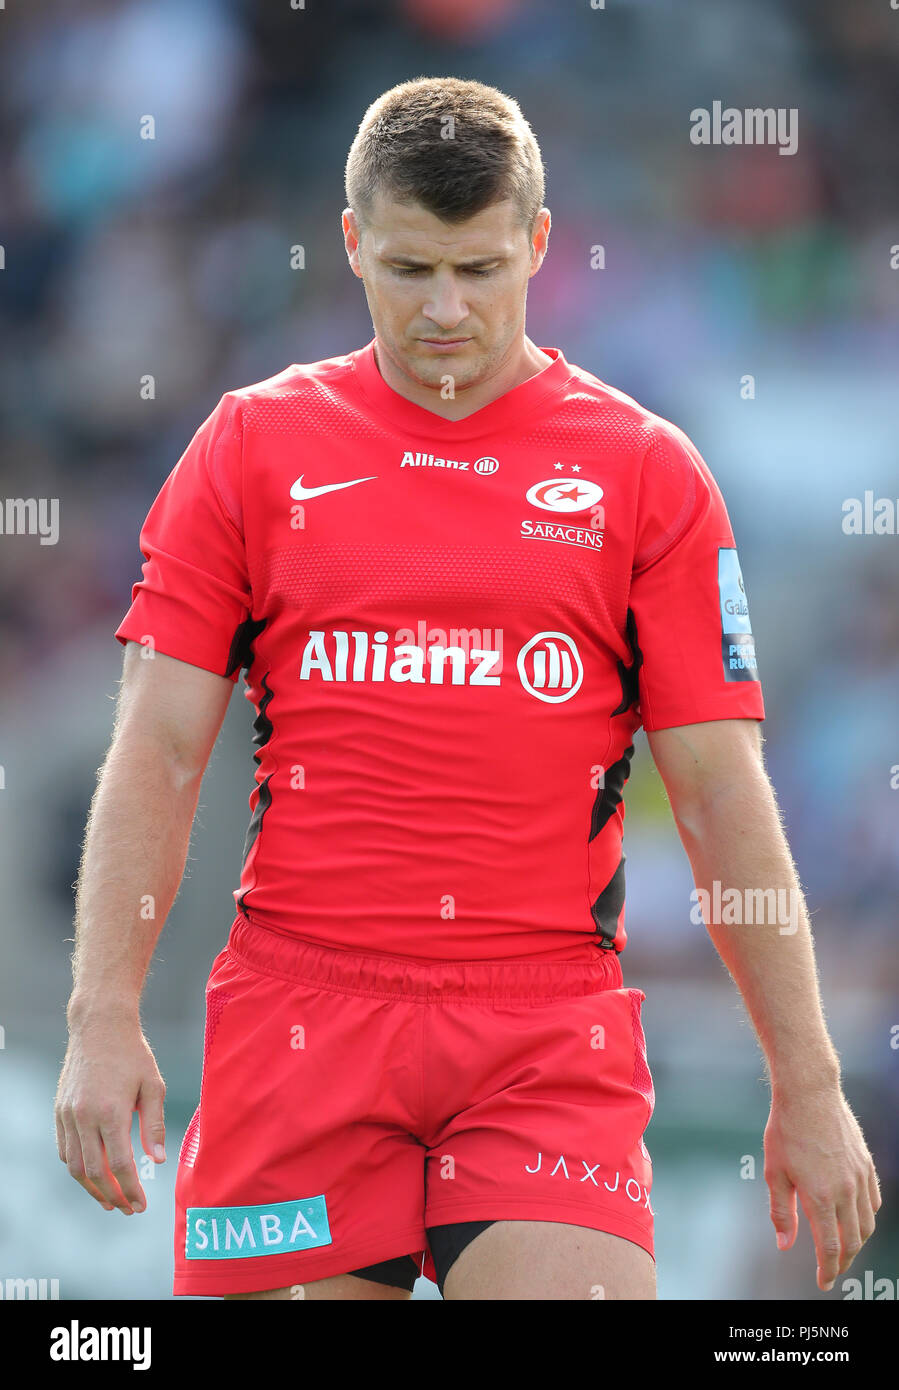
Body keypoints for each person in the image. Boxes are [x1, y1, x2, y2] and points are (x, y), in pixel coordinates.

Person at [55, 75, 880, 1301]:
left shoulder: (644, 471)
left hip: (541, 1032)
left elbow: (718, 796)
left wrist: (805, 1082)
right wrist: (99, 1013)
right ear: (350, 244)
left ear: (538, 245)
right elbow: (159, 752)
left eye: (480, 271)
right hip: (302, 1019)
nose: (444, 310)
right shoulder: (248, 448)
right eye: (407, 270)